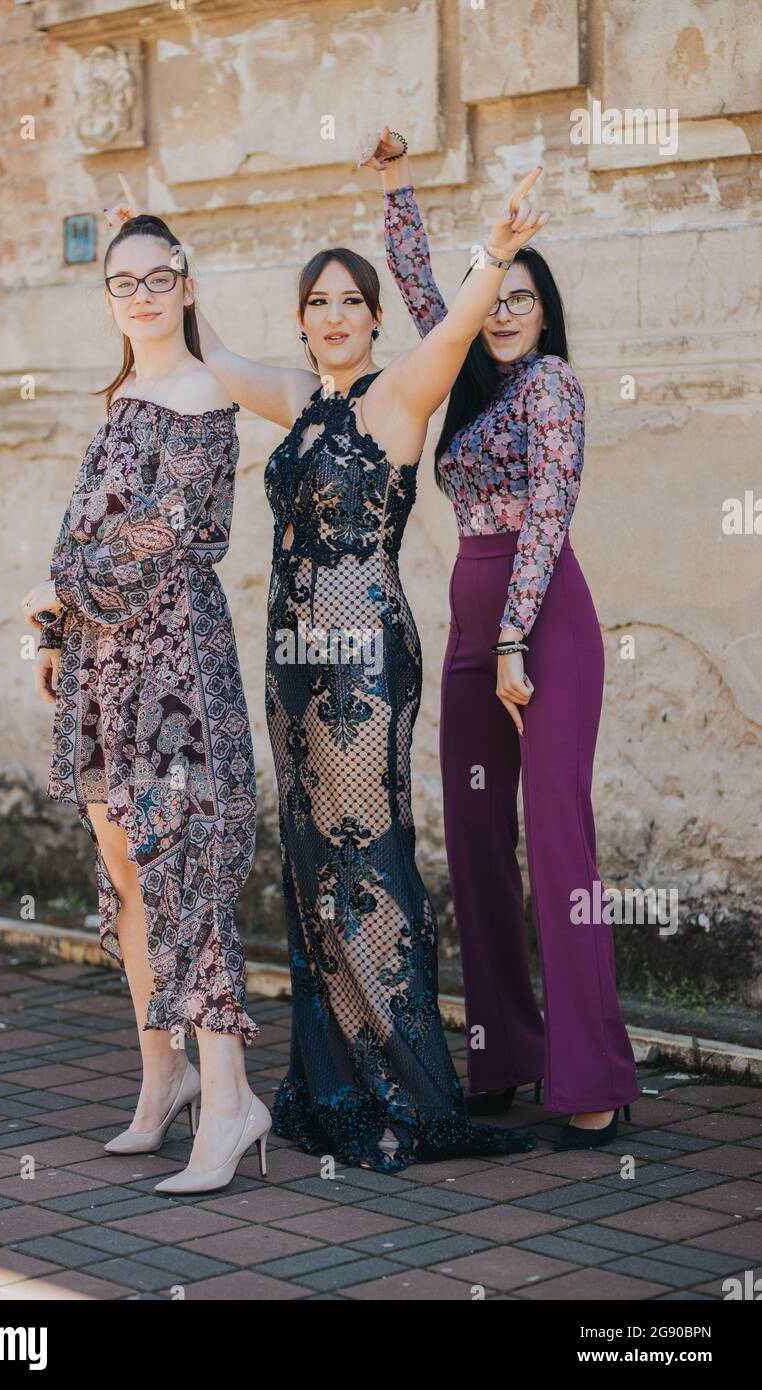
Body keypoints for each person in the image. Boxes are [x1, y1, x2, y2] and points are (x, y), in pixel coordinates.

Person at [188, 163, 548, 1171]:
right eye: (318, 301)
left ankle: (406, 1087)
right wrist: (173, 281)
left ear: (372, 318)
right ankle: (335, 1081)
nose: (335, 314)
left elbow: (456, 325)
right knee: (312, 869)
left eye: (352, 301)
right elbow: (211, 359)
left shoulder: (400, 395)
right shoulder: (297, 399)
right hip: (290, 666)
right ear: (302, 321)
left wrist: (496, 248)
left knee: (367, 862)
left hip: (361, 665)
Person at [364, 126, 639, 1150]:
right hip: (473, 622)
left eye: (524, 296)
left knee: (557, 844)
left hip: (542, 621)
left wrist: (517, 638)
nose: (507, 310)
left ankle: (592, 1072)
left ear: (546, 312)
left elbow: (549, 515)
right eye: (498, 297)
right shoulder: (469, 377)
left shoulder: (553, 387)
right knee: (476, 843)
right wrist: (396, 180)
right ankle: (504, 1054)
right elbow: (417, 281)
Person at [21, 193, 270, 1194]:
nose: (138, 295)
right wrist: (55, 625)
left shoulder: (204, 394)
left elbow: (160, 531)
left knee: (183, 868)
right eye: (121, 281)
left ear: (187, 284)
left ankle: (230, 1101)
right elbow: (85, 520)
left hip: (171, 657)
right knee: (123, 864)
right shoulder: (124, 395)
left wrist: (56, 591)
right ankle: (160, 1075)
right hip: (99, 661)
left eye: (156, 278)